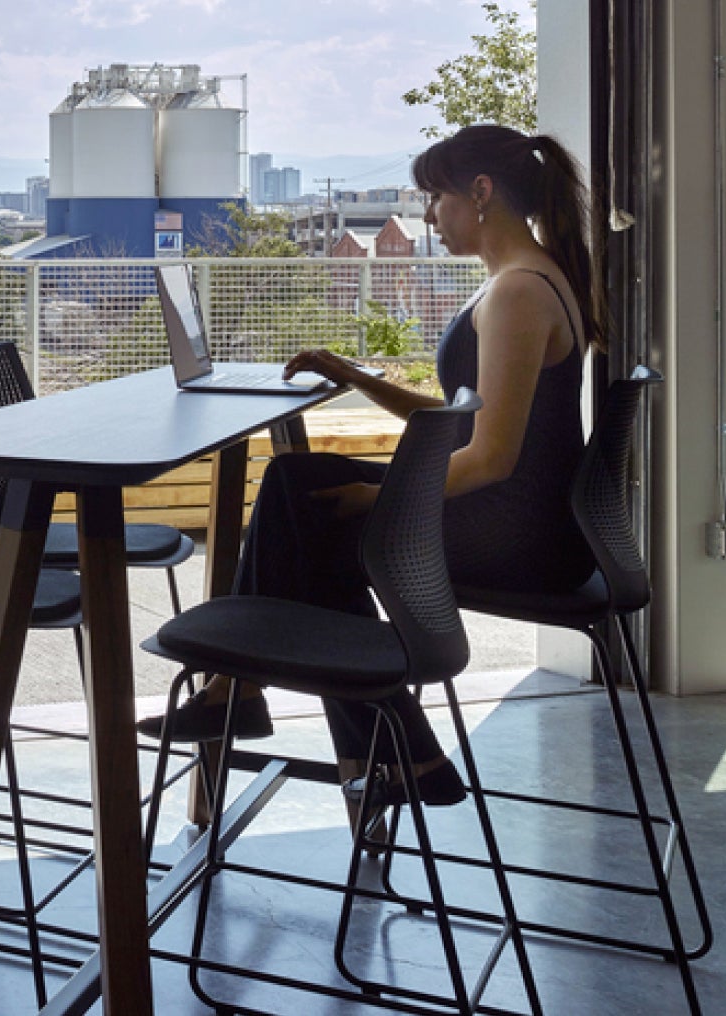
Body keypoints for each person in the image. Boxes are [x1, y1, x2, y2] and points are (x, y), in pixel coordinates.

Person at [143, 124, 605, 817]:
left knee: (317, 516)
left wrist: (376, 496)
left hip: (523, 538)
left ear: (480, 193)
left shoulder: (518, 293)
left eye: (436, 198)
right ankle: (367, 742)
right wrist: (352, 376)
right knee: (301, 486)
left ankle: (261, 697)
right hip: (530, 522)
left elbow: (490, 456)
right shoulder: (528, 280)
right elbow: (457, 416)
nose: (428, 215)